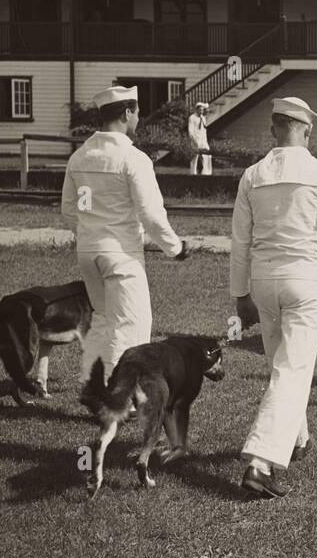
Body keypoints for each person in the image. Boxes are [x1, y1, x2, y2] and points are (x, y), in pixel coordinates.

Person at [231, 96, 317, 498]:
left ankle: (297, 439)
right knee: (291, 371)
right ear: (307, 129)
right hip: (305, 280)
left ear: (273, 129)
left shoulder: (252, 175)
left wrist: (240, 293)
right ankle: (260, 462)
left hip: (264, 280)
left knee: (281, 366)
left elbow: (240, 242)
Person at [61, 86, 187, 408]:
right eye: (137, 112)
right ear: (128, 113)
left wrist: (91, 233)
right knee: (131, 327)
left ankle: (92, 387)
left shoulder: (80, 156)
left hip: (89, 252)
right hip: (120, 255)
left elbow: (68, 210)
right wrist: (176, 248)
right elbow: (151, 214)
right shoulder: (133, 158)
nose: (139, 118)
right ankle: (116, 398)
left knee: (103, 321)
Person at [187, 101, 212, 176]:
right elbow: (190, 131)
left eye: (202, 110)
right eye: (200, 109)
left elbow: (204, 130)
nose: (201, 111)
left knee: (207, 155)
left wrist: (205, 140)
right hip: (195, 140)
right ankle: (193, 172)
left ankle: (206, 172)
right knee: (195, 156)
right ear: (197, 109)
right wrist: (194, 140)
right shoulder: (192, 117)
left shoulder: (203, 118)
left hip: (203, 140)